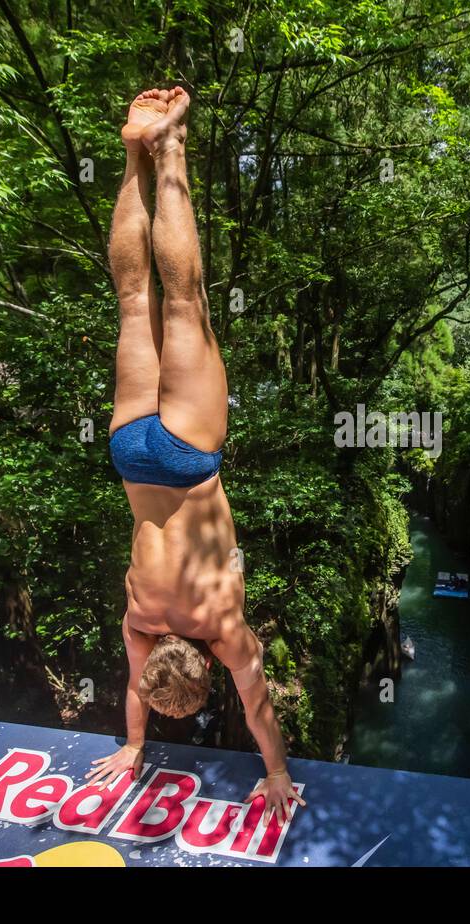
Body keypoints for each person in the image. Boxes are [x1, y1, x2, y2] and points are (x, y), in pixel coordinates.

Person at [84, 87, 304, 826]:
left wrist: (276, 774)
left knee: (184, 302)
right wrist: (131, 746)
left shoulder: (224, 628)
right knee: (130, 299)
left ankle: (169, 145)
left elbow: (259, 705)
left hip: (185, 455)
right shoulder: (138, 620)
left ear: (203, 661)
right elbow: (131, 691)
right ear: (154, 660)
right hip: (130, 456)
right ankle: (130, 155)